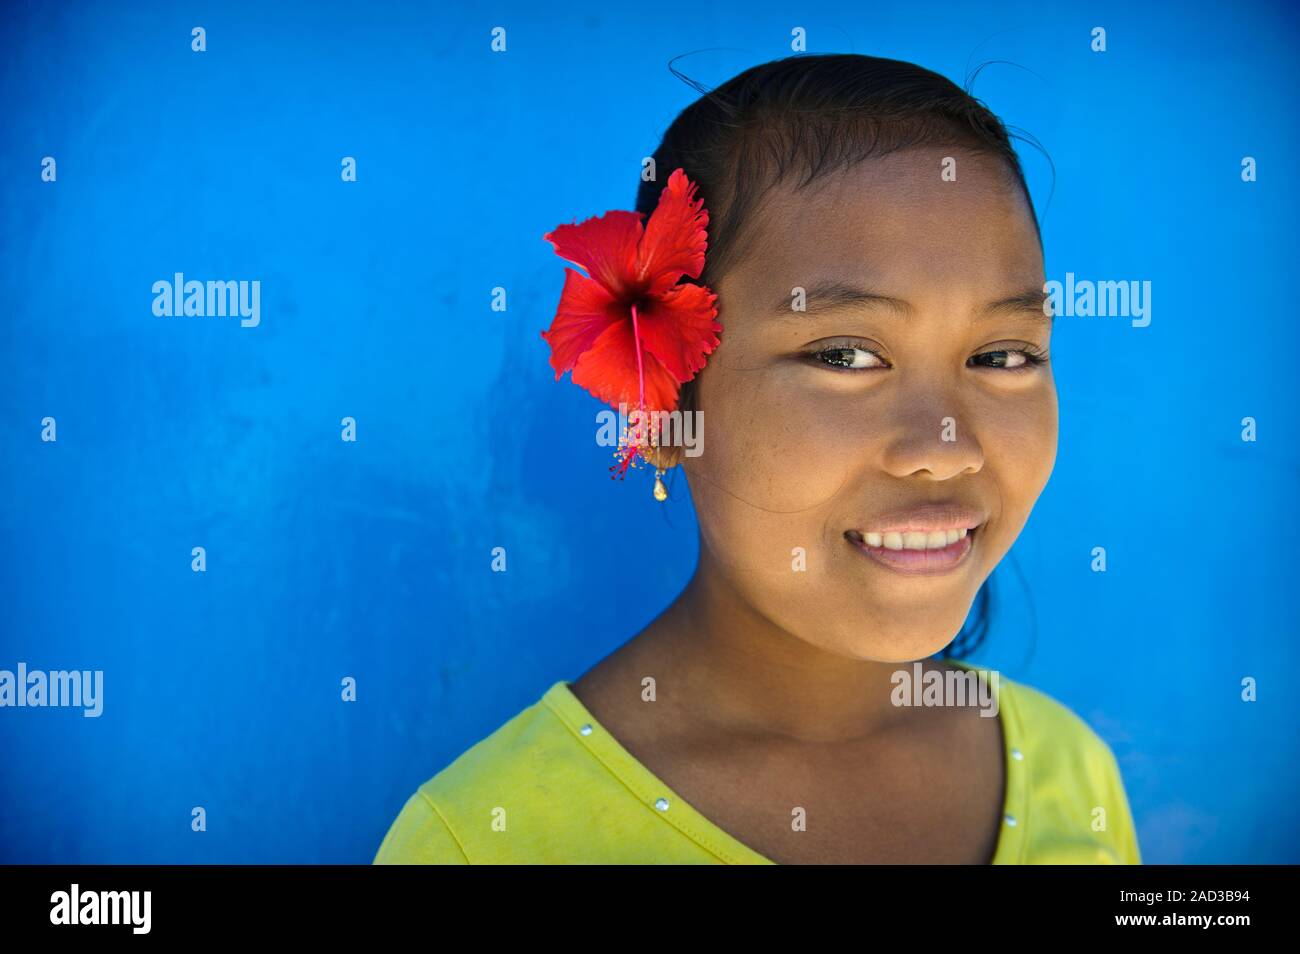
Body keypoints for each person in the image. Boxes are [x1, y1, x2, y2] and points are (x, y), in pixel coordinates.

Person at [374, 52, 1141, 864]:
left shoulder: (1072, 775)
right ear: (662, 400)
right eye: (845, 356)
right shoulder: (491, 838)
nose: (943, 449)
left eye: (1003, 355)